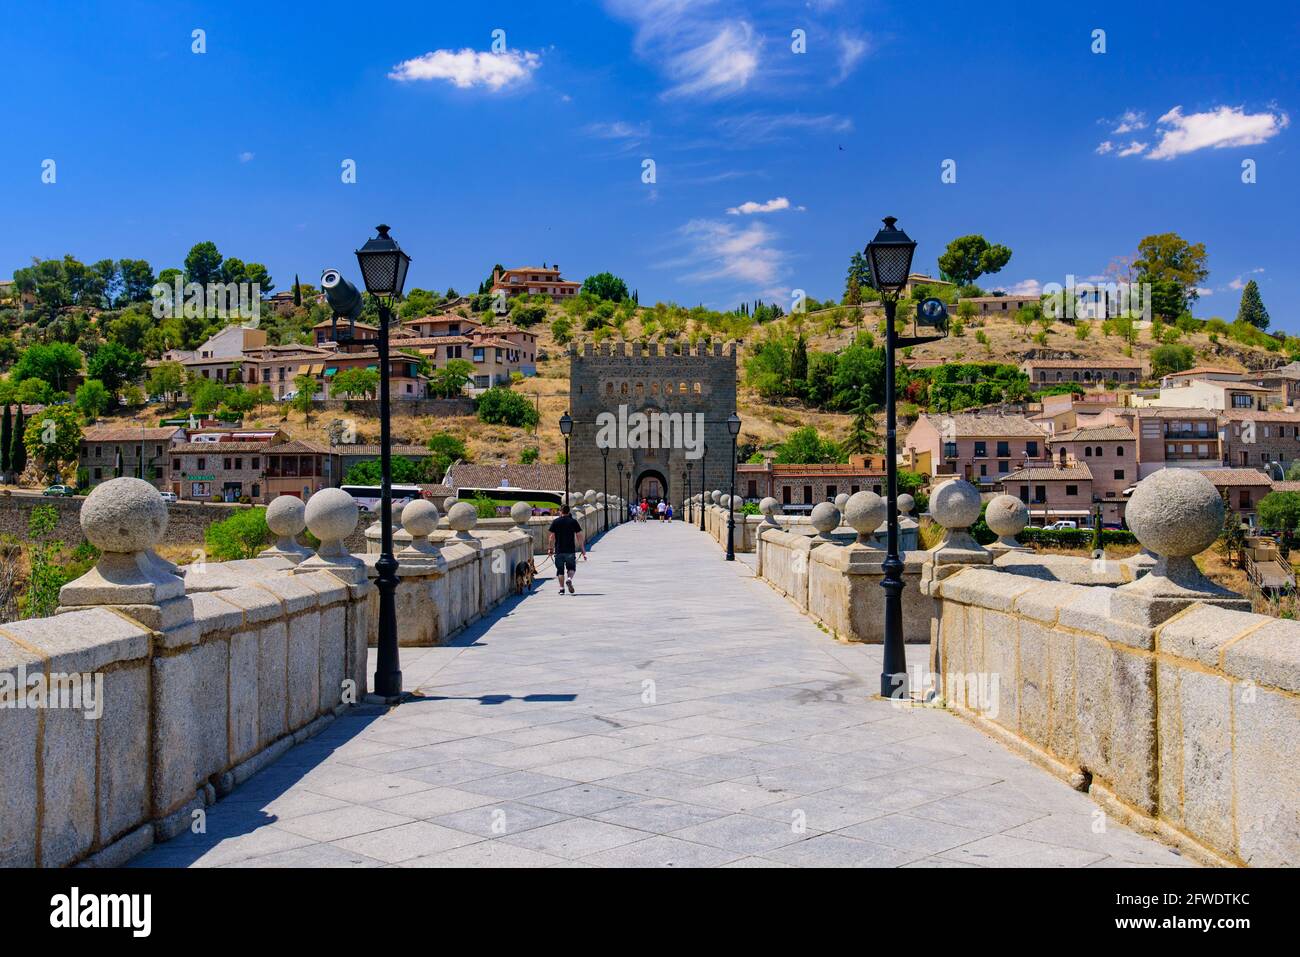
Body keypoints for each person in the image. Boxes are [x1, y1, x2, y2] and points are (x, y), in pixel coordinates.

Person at [547, 504, 586, 594]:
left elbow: (551, 537)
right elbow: (579, 536)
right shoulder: (573, 522)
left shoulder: (556, 522)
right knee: (571, 568)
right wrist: (583, 549)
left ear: (560, 511)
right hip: (570, 551)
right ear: (569, 512)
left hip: (559, 550)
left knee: (560, 571)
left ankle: (561, 589)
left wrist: (550, 549)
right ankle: (569, 579)